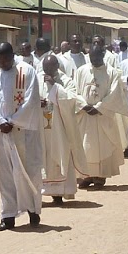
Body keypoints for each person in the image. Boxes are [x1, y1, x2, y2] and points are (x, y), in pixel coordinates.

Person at [0, 41, 43, 230]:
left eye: (6, 59)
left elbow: (31, 99)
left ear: (13, 56)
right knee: (5, 175)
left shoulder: (27, 71)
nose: (3, 63)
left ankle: (33, 211)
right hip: (2, 133)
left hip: (23, 132)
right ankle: (8, 216)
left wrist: (14, 121)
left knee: (28, 171)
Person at [71, 40, 128, 189]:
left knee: (102, 147)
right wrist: (83, 105)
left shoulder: (112, 73)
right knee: (85, 147)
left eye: (97, 58)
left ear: (103, 55)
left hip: (102, 116)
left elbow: (114, 94)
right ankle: (87, 175)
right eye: (92, 58)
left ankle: (100, 177)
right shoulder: (81, 71)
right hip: (85, 115)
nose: (94, 62)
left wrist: (99, 107)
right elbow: (74, 91)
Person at [39, 53, 80, 205]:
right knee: (42, 157)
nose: (47, 71)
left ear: (57, 67)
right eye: (45, 68)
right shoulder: (37, 79)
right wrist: (38, 102)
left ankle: (58, 193)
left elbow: (72, 100)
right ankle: (41, 191)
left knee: (59, 155)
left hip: (59, 128)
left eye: (50, 68)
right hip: (41, 127)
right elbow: (29, 97)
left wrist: (55, 87)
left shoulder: (66, 81)